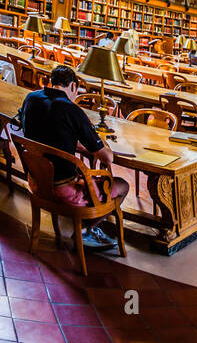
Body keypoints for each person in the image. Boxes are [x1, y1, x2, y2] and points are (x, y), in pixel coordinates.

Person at [17, 65, 129, 255]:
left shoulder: (31, 98)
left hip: (36, 182)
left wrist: (75, 144)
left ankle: (84, 228)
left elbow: (43, 132)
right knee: (122, 185)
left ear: (52, 83)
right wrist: (100, 140)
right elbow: (107, 158)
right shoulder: (72, 109)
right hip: (63, 190)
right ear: (73, 87)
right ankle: (86, 230)